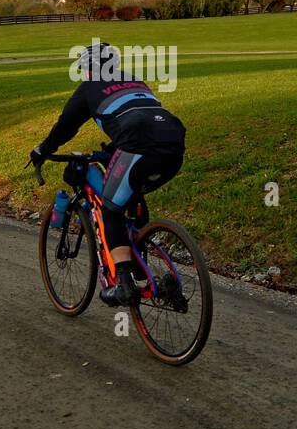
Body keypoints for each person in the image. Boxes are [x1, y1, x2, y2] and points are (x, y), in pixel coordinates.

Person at [30, 41, 185, 305]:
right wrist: (112, 148)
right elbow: (138, 116)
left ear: (89, 69)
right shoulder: (134, 81)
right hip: (173, 145)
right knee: (131, 196)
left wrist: (42, 150)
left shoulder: (89, 87)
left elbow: (66, 126)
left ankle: (124, 283)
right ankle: (141, 268)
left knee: (111, 210)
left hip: (137, 145)